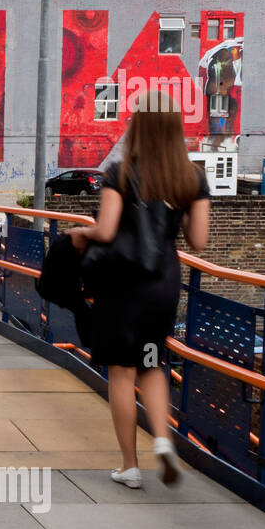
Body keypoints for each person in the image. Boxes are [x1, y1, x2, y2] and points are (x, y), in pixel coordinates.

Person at [66, 90, 210, 488]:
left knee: (122, 371)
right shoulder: (192, 177)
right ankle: (163, 440)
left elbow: (107, 230)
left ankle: (129, 465)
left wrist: (81, 232)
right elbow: (198, 239)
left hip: (122, 287)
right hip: (162, 285)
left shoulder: (121, 172)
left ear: (140, 127)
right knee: (151, 362)